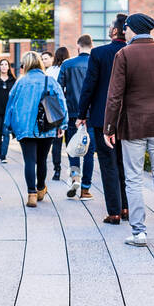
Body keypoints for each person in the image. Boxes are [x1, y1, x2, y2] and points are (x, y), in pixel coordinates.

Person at [103, 14, 154, 248]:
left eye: (125, 29)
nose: (123, 32)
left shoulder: (124, 54)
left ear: (133, 29)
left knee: (134, 178)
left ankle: (139, 232)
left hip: (132, 125)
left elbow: (115, 95)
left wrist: (110, 126)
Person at [75, 15, 129, 225]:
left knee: (108, 164)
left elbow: (89, 85)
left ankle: (114, 212)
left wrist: (81, 114)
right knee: (125, 163)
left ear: (115, 31)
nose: (108, 29)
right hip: (127, 118)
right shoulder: (131, 52)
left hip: (102, 116)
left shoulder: (99, 53)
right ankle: (126, 208)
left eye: (109, 27)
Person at [3, 51, 68, 208]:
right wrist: (63, 125)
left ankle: (31, 193)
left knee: (29, 161)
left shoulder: (20, 82)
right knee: (42, 160)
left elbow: (10, 105)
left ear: (26, 65)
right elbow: (61, 102)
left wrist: (8, 125)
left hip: (24, 127)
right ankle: (40, 189)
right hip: (47, 127)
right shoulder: (50, 81)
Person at [58, 35, 95, 200]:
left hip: (72, 114)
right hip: (92, 115)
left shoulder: (67, 64)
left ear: (78, 47)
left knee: (73, 149)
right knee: (89, 151)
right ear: (91, 47)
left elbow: (59, 91)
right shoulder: (96, 63)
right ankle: (85, 189)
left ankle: (75, 178)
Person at [47, 46, 70, 181]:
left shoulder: (50, 71)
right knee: (71, 141)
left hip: (54, 109)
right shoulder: (69, 67)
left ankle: (57, 169)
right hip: (70, 107)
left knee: (56, 142)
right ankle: (75, 170)